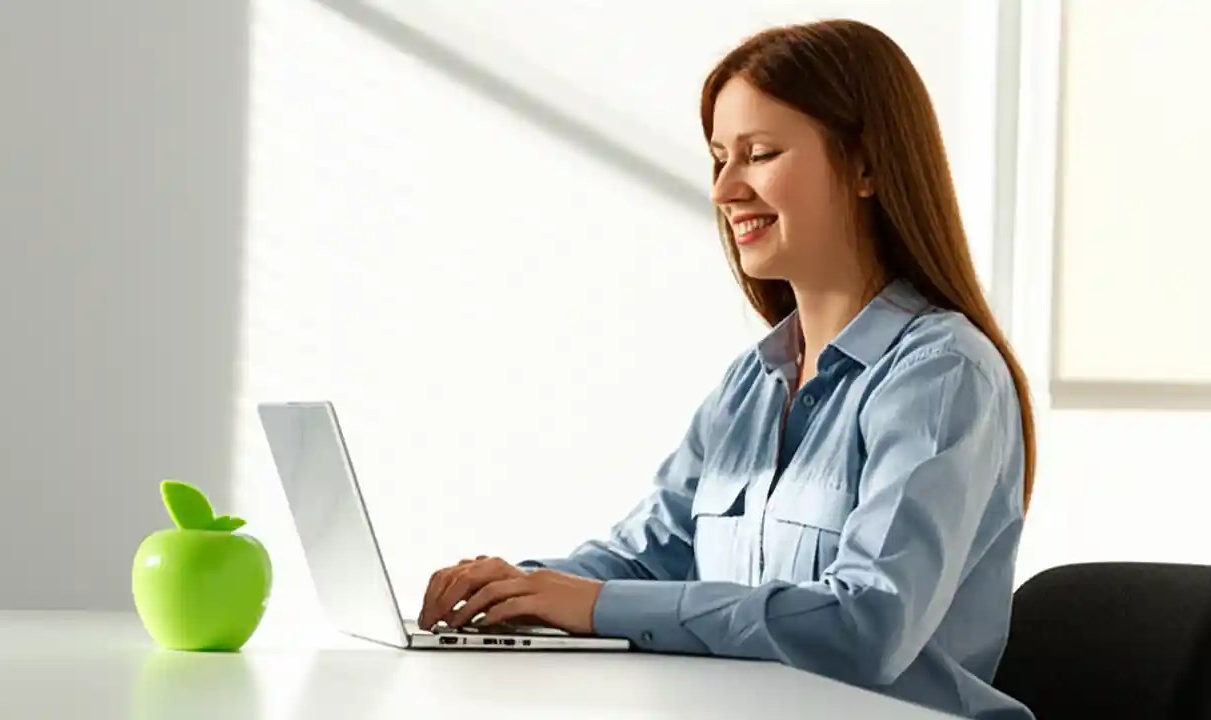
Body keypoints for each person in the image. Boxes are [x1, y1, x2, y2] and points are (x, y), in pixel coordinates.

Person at [417, 19, 1037, 720]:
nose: (724, 190)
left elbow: (868, 626)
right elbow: (649, 558)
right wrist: (516, 589)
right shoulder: (754, 382)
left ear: (867, 166)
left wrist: (594, 606)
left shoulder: (942, 375)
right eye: (719, 158)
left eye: (760, 153)